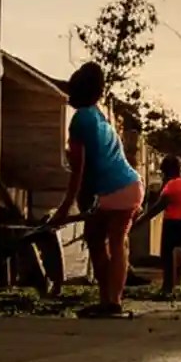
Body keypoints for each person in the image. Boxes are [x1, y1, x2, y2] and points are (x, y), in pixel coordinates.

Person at [48, 63, 144, 317]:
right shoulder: (100, 116)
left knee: (101, 241)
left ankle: (109, 301)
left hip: (114, 189)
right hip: (132, 185)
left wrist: (64, 208)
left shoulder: (81, 120)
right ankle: (112, 301)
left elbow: (79, 171)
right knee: (112, 242)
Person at [132, 155, 181, 294]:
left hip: (173, 222)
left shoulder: (172, 184)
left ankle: (167, 287)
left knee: (167, 255)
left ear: (168, 171)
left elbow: (159, 207)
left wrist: (139, 222)